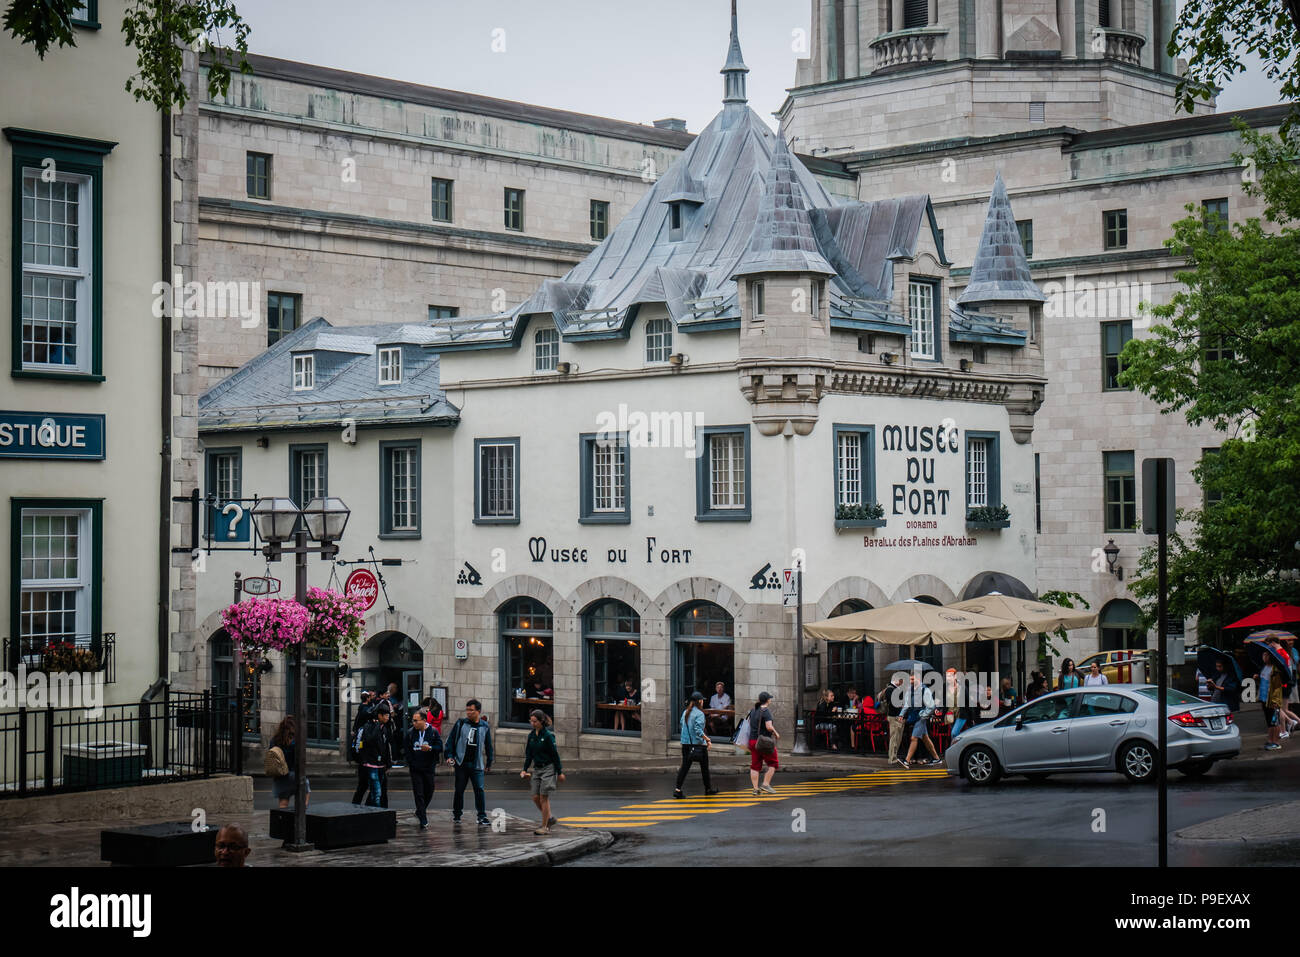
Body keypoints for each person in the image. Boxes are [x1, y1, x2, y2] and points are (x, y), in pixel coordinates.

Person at [444, 698, 494, 826]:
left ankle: (481, 816)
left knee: (479, 790)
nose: (468, 713)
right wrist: (449, 756)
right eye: (467, 710)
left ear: (478, 711)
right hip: (461, 763)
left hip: (476, 764)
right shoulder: (461, 723)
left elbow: (488, 745)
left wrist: (489, 762)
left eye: (471, 710)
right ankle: (457, 815)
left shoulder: (484, 726)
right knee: (459, 790)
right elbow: (450, 741)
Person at [521, 709, 564, 835]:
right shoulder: (531, 736)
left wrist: (559, 771)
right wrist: (524, 769)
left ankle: (544, 827)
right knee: (535, 797)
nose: (532, 724)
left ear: (541, 721)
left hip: (548, 768)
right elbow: (528, 755)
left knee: (543, 797)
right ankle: (550, 818)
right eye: (531, 721)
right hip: (537, 769)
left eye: (535, 721)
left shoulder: (548, 736)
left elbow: (555, 755)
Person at [674, 691, 719, 799]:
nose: (703, 701)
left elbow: (681, 724)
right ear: (699, 701)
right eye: (702, 700)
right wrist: (708, 740)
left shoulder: (686, 712)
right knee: (704, 768)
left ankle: (677, 790)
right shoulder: (699, 714)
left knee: (684, 767)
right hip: (698, 745)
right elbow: (698, 730)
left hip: (685, 744)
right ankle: (708, 789)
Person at [404, 708, 442, 828]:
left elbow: (440, 747)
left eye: (416, 721)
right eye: (413, 721)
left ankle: (420, 810)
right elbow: (407, 750)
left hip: (428, 767)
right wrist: (411, 762)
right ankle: (423, 817)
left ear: (424, 720)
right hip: (415, 768)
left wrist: (430, 748)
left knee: (429, 790)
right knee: (418, 793)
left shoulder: (433, 732)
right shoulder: (410, 733)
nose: (413, 723)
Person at [358, 701, 394, 807]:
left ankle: (377, 811)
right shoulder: (369, 726)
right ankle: (376, 815)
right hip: (371, 763)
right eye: (386, 715)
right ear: (379, 715)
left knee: (380, 791)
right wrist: (377, 726)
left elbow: (386, 746)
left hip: (381, 764)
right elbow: (369, 741)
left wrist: (388, 763)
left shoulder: (385, 728)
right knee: (377, 792)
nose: (388, 718)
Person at [901, 673, 941, 768]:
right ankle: (936, 759)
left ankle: (906, 760)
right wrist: (901, 714)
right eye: (910, 680)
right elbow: (906, 704)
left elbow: (931, 706)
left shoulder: (925, 690)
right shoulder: (910, 691)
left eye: (912, 679)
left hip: (921, 719)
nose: (910, 682)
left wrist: (923, 715)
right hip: (915, 717)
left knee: (914, 738)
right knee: (925, 738)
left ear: (918, 679)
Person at [270, 716, 310, 809]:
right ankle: (300, 818)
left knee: (283, 804)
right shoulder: (296, 741)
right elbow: (300, 759)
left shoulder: (275, 740)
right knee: (305, 795)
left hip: (280, 776)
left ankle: (284, 822)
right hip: (294, 774)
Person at [746, 692, 779, 795]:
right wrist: (776, 733)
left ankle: (755, 789)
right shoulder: (766, 711)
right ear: (767, 700)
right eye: (770, 698)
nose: (770, 700)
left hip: (752, 741)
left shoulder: (753, 710)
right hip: (763, 742)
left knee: (755, 765)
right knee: (773, 763)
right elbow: (769, 726)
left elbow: (748, 724)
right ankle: (765, 784)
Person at [878, 675, 906, 765]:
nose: (902, 682)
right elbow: (894, 702)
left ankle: (894, 756)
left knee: (898, 738)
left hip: (897, 716)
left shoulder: (895, 689)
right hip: (894, 717)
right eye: (901, 680)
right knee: (894, 738)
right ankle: (892, 758)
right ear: (897, 681)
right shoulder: (890, 689)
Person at [814, 687, 840, 752]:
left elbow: (830, 714)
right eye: (831, 696)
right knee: (833, 727)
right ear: (827, 697)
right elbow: (824, 715)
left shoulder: (830, 703)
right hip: (819, 724)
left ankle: (838, 741)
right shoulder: (822, 704)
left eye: (833, 695)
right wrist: (832, 712)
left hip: (826, 722)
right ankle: (832, 744)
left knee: (838, 725)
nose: (833, 697)